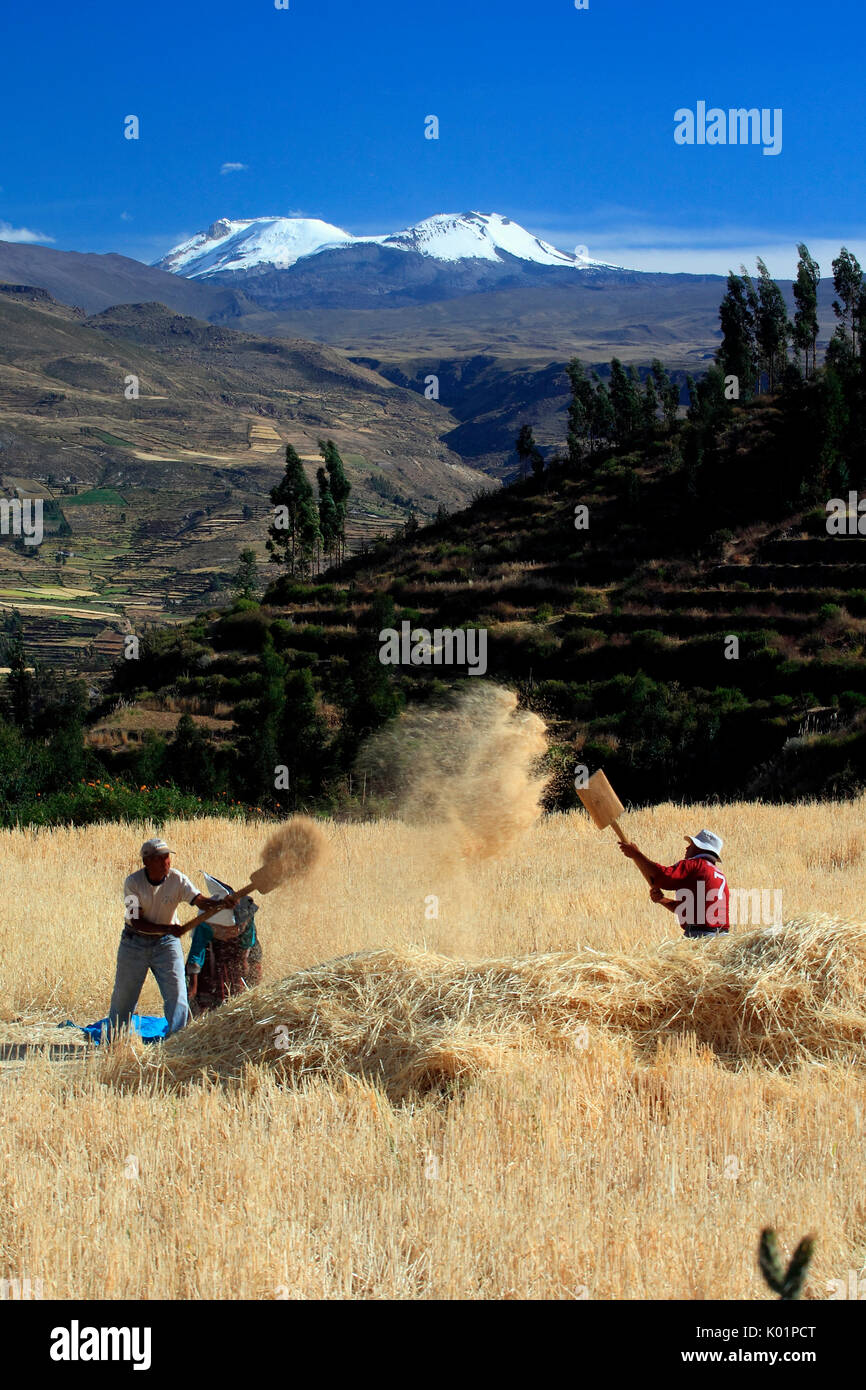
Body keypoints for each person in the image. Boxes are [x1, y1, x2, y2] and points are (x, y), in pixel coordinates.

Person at [108, 838, 232, 1037]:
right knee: (124, 997)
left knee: (178, 995)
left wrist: (221, 903)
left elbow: (201, 902)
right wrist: (167, 928)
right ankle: (115, 1040)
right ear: (147, 862)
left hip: (166, 944)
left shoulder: (178, 880)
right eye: (161, 858)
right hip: (134, 943)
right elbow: (136, 921)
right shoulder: (133, 883)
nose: (167, 862)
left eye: (168, 857)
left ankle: (177, 1040)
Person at [618, 829, 729, 938]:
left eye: (691, 845)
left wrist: (637, 855)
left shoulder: (695, 865)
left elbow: (664, 877)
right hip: (723, 938)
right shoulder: (719, 875)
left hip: (701, 935)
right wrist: (662, 900)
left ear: (699, 849)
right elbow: (686, 909)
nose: (687, 848)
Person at [185, 876, 262, 1014]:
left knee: (250, 973)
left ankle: (252, 1008)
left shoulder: (244, 916)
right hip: (214, 949)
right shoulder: (205, 924)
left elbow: (248, 942)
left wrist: (244, 959)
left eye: (230, 931)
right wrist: (193, 984)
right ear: (215, 927)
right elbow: (196, 954)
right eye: (222, 931)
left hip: (245, 947)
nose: (227, 935)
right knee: (207, 983)